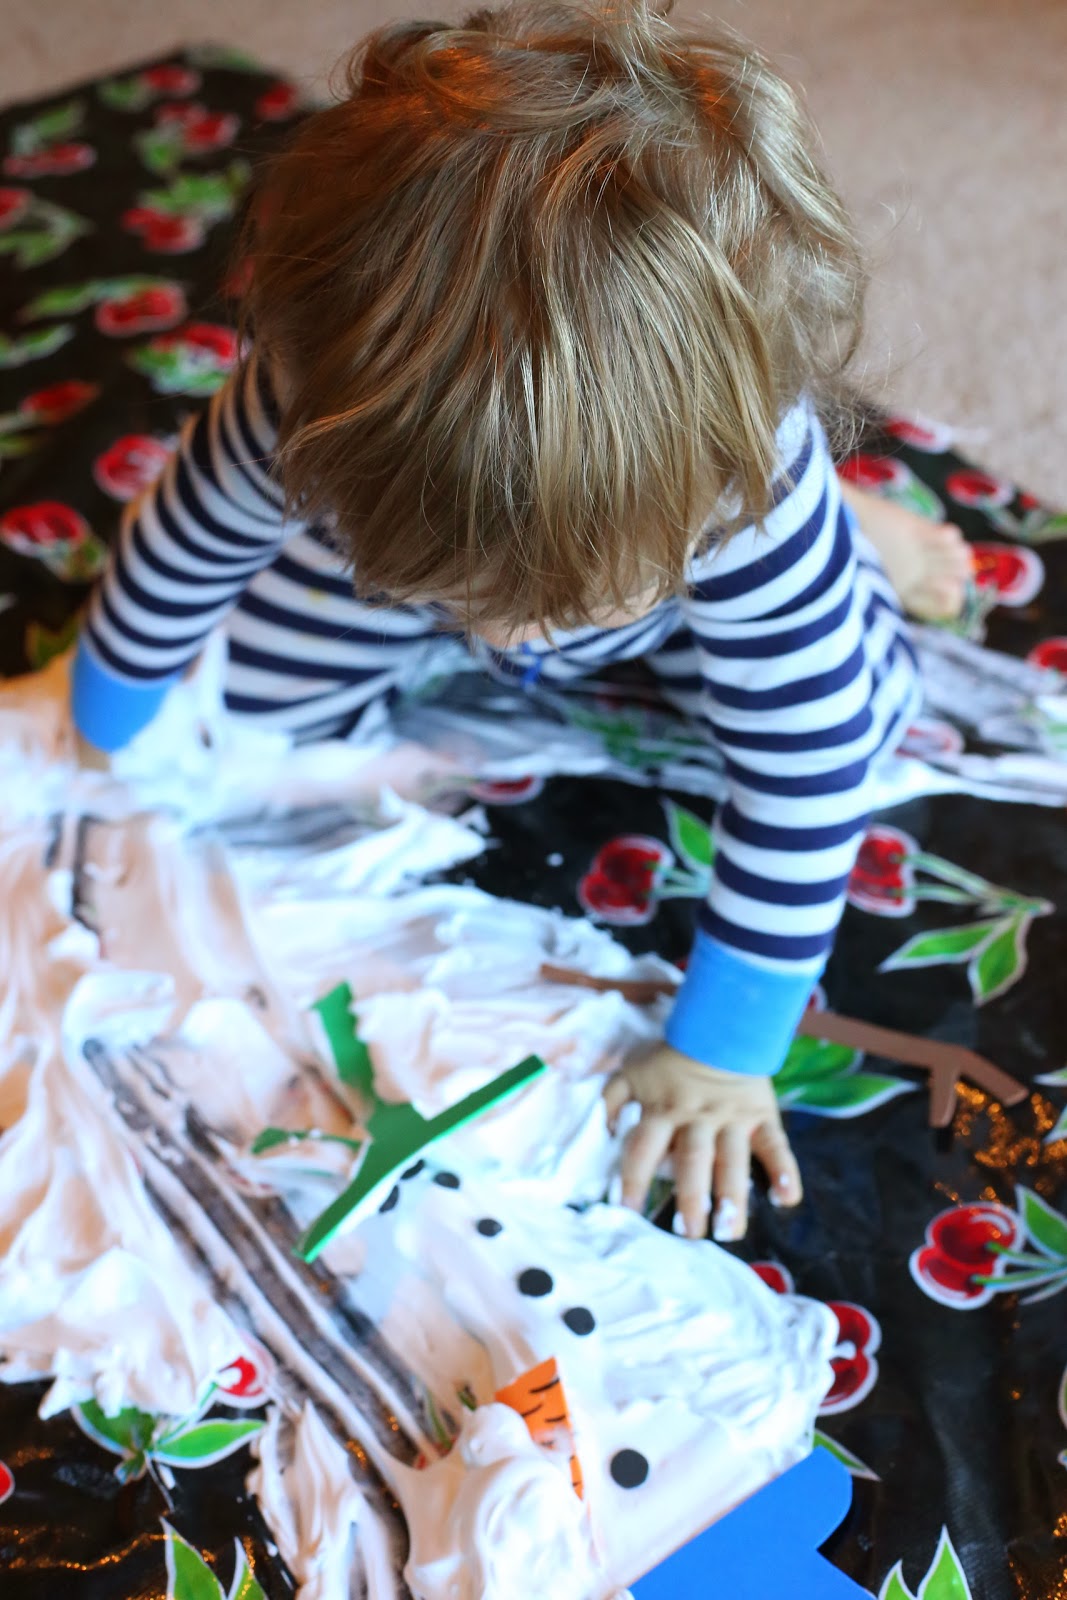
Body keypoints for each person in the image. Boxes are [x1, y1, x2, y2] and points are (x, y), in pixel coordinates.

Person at [71, 0, 971, 1243]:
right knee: (247, 727)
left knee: (863, 707)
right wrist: (104, 707)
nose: (508, 641)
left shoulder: (735, 495)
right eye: (484, 600)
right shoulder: (302, 394)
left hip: (703, 566)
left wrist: (722, 1048)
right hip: (384, 562)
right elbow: (186, 538)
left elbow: (808, 772)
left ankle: (850, 522)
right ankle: (479, 576)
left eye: (541, 604)